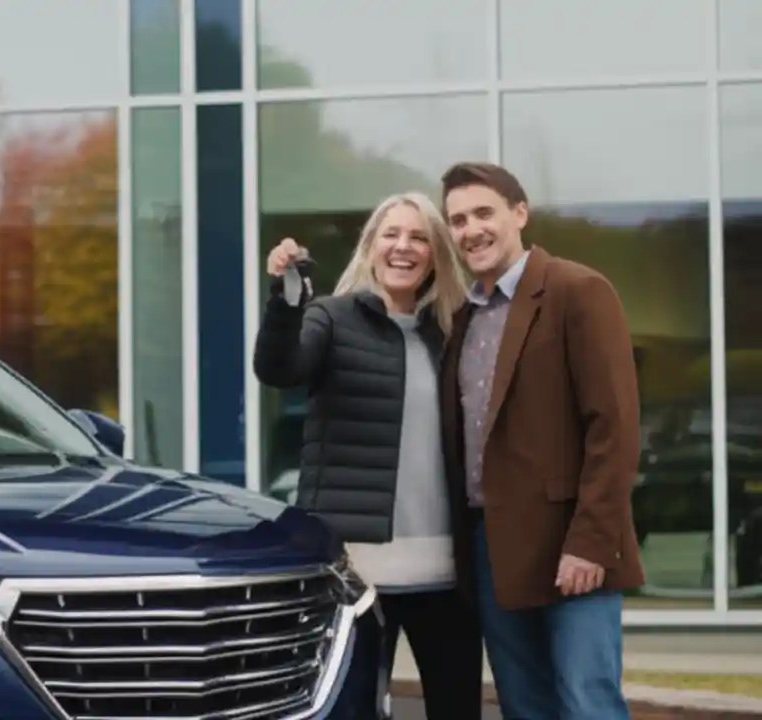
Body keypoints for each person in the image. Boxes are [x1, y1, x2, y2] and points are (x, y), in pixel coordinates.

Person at [253, 192, 483, 719]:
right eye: (392, 234)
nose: (404, 247)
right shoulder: (330, 319)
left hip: (446, 575)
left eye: (419, 237)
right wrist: (287, 296)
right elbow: (279, 368)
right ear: (372, 246)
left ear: (435, 255)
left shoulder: (452, 331)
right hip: (359, 575)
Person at [437, 160, 646, 719]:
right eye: (457, 220)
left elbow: (615, 426)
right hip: (491, 548)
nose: (471, 230)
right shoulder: (462, 319)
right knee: (523, 705)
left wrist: (592, 541)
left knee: (586, 701)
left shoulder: (577, 291)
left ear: (520, 214)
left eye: (484, 213)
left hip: (570, 543)